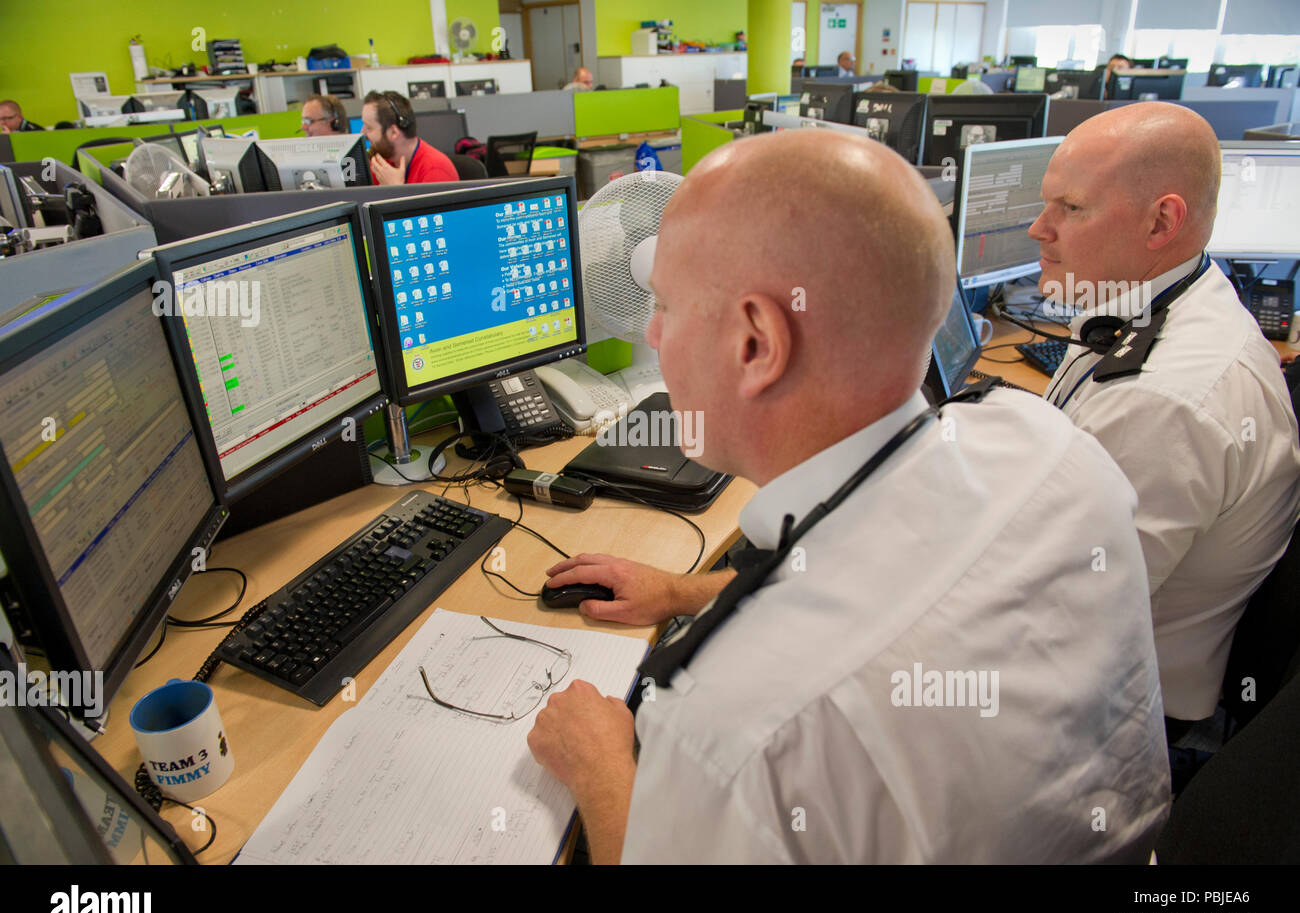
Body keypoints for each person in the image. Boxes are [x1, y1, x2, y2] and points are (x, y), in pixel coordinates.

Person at [527, 129, 1171, 863]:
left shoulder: (737, 725)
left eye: (666, 307)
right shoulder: (1048, 443)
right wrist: (680, 591)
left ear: (756, 343)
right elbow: (885, 577)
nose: (652, 333)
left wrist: (598, 763)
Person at [1029, 102, 1300, 731]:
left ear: (1162, 222)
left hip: (1108, 711)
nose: (1040, 229)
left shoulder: (1162, 402)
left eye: (1071, 207)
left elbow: (1054, 615)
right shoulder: (1166, 298)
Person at [361, 90, 457, 185]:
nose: (362, 133)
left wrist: (395, 188)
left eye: (369, 127)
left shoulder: (436, 171)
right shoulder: (382, 165)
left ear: (393, 132)